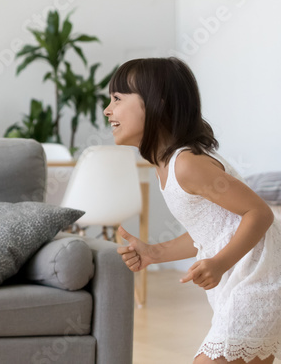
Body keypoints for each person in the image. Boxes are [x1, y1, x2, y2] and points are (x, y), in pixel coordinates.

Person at [110, 57, 280, 364]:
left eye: (117, 99)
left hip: (261, 281)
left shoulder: (187, 164)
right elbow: (214, 229)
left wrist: (217, 263)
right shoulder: (168, 166)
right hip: (242, 280)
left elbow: (260, 214)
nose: (108, 110)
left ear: (155, 104)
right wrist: (153, 253)